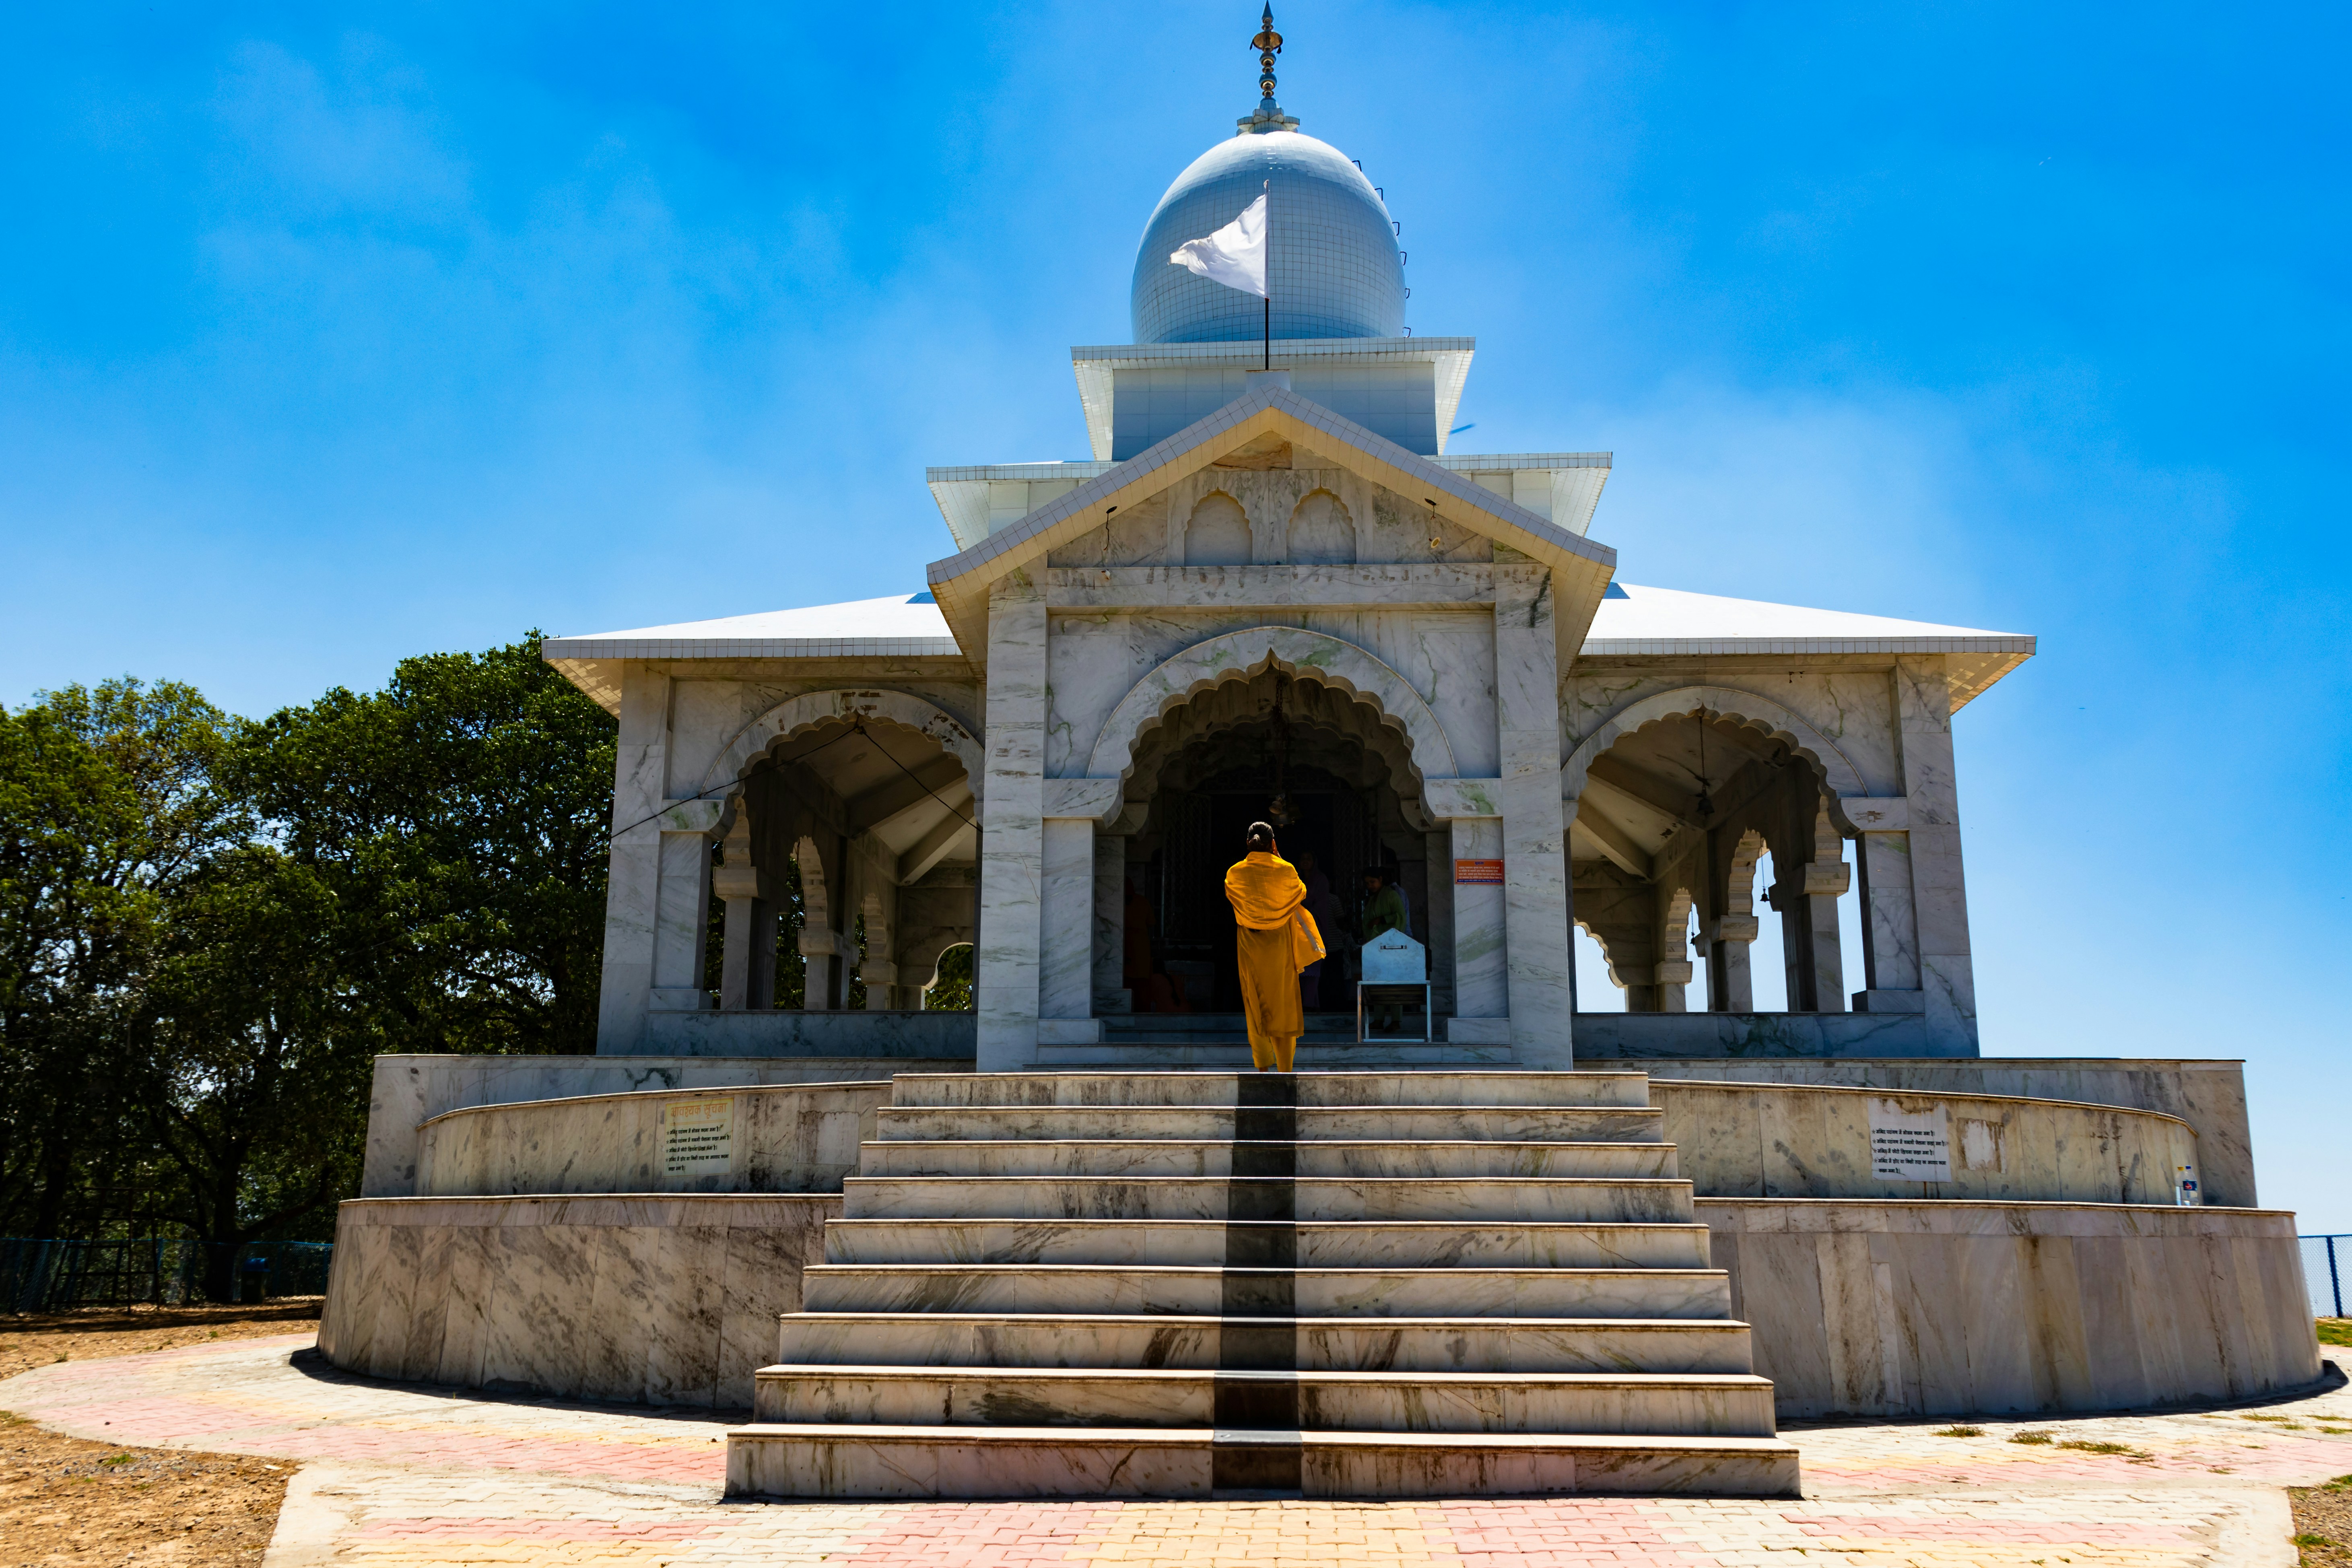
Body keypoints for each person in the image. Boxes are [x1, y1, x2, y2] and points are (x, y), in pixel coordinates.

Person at [1223, 822, 1325, 1071]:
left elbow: (1231, 896)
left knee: (1254, 1002)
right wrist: (1278, 859)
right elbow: (1300, 893)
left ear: (1248, 843)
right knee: (1284, 1003)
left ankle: (1262, 1065)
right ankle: (1285, 1067)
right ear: (1273, 844)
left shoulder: (1235, 872)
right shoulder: (1286, 869)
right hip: (1280, 943)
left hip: (1250, 943)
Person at [1360, 865, 1410, 1033]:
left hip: (1393, 946)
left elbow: (1401, 918)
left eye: (1373, 882)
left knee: (1395, 984)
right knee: (1377, 983)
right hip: (1376, 946)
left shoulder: (1391, 895)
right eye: (1367, 883)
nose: (1370, 886)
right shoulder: (1373, 899)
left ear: (1381, 879)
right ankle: (1379, 1019)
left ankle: (1396, 1021)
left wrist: (1381, 920)